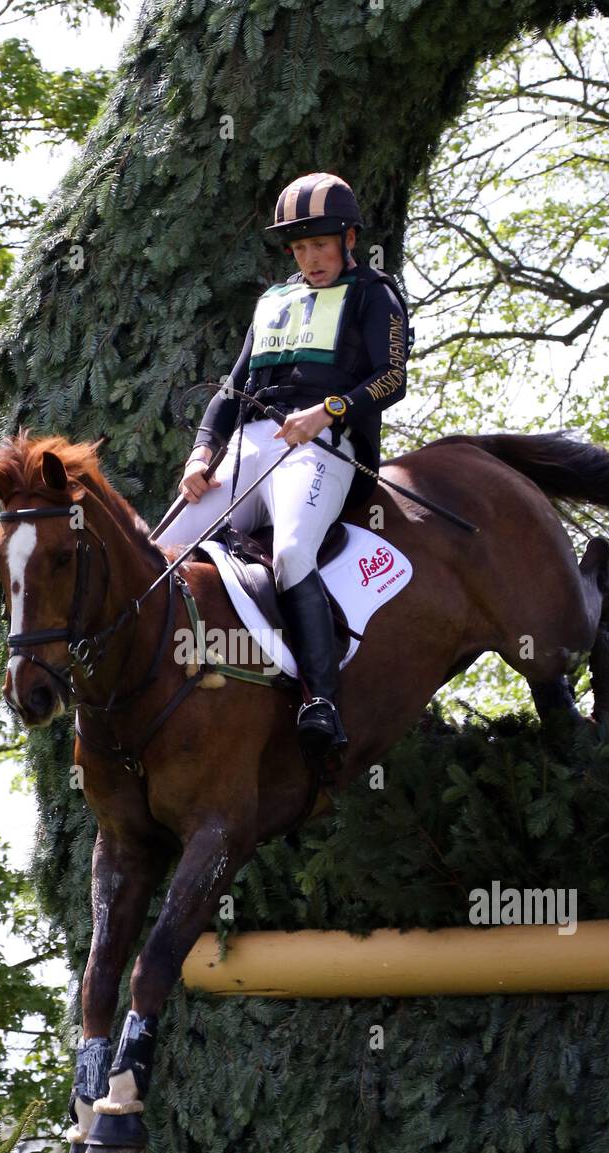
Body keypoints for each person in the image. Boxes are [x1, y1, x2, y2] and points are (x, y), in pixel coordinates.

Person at [158, 172, 411, 771]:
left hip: (326, 448)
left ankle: (321, 701)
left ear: (349, 238)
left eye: (320, 245)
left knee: (294, 550)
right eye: (299, 249)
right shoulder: (274, 302)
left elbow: (392, 377)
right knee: (162, 550)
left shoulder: (376, 294)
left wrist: (329, 410)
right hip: (249, 447)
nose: (310, 259)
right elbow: (229, 388)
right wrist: (200, 454)